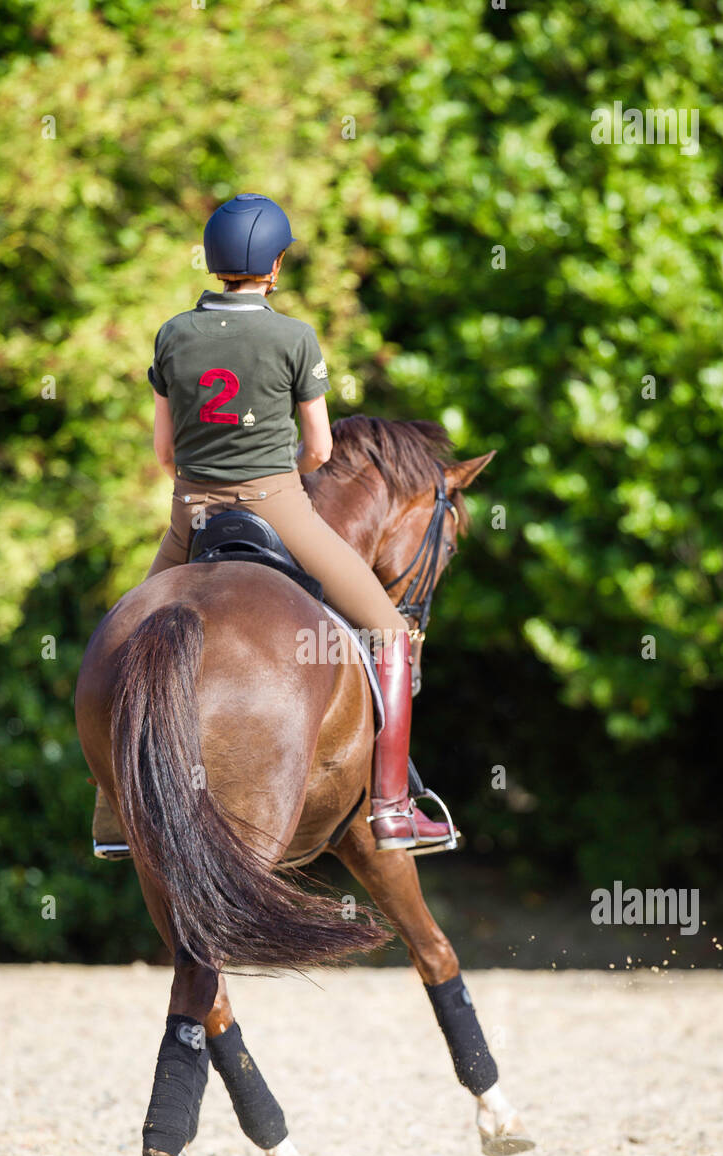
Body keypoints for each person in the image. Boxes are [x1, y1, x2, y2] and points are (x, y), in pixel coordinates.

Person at [92, 194, 453, 859]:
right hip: (279, 508)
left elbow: (164, 451)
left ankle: (113, 816)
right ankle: (396, 808)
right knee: (393, 636)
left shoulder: (173, 334)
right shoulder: (294, 338)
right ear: (276, 265)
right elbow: (317, 451)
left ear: (215, 262)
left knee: (126, 644)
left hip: (190, 515)